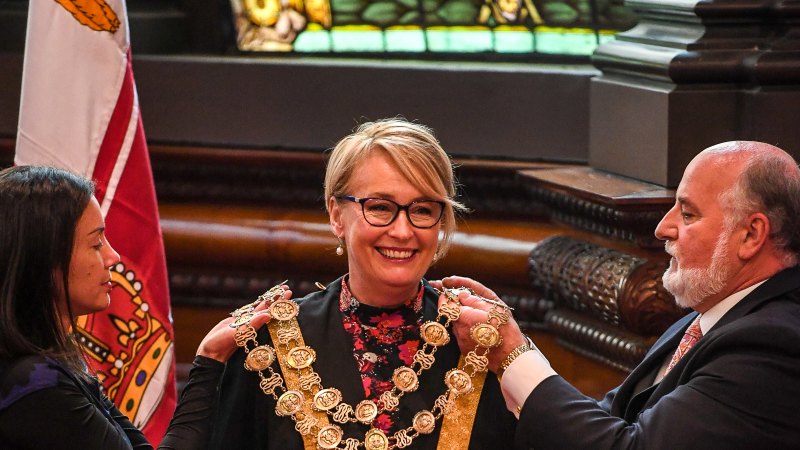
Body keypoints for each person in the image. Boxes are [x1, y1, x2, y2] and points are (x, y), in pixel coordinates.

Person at [442, 140, 800, 449]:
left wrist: (512, 353)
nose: (663, 228)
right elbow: (608, 421)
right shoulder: (709, 315)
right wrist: (514, 351)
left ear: (752, 235)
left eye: (687, 213)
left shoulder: (773, 344)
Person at [209, 118, 517, 449]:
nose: (402, 231)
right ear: (336, 215)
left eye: (423, 209)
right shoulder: (266, 344)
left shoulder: (484, 341)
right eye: (380, 207)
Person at [0, 165, 277, 449]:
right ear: (44, 261)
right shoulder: (36, 386)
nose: (114, 257)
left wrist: (210, 356)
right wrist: (209, 363)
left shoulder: (54, 363)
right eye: (96, 244)